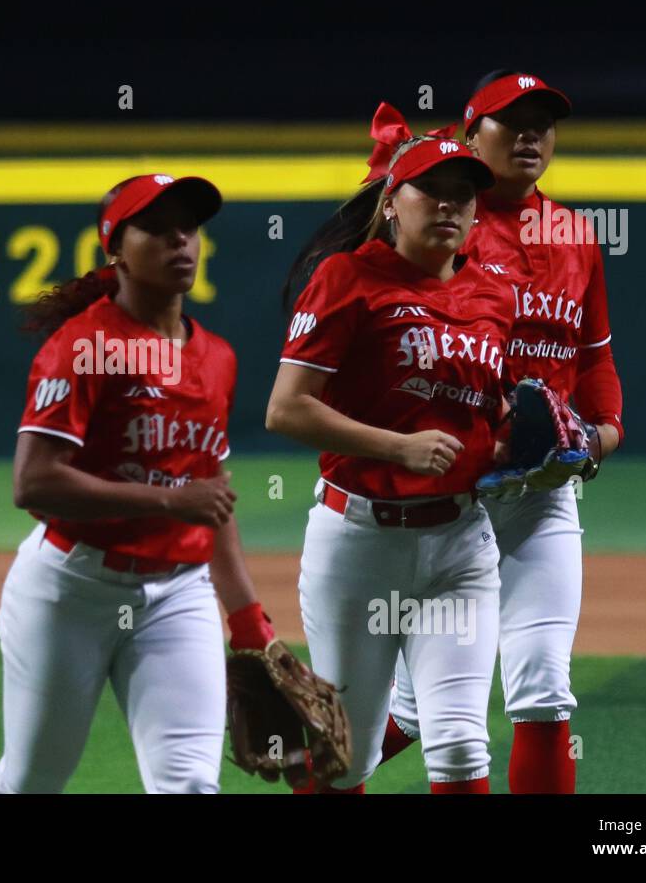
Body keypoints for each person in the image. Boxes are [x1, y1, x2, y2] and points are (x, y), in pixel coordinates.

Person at [0, 173, 279, 794]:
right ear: (115, 248)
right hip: (71, 590)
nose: (180, 242)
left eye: (188, 229)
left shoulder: (216, 356)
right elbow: (33, 483)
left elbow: (210, 498)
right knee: (32, 782)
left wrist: (249, 621)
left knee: (189, 785)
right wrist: (170, 498)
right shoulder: (82, 347)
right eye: (157, 231)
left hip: (178, 595)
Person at [383, 72, 625, 793]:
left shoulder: (575, 232)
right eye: (509, 121)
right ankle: (311, 767)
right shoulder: (444, 221)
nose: (529, 135)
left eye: (542, 123)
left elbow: (594, 358)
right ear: (469, 133)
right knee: (413, 709)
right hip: (452, 489)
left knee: (544, 684)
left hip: (543, 490)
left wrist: (601, 435)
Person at [267, 104, 511, 793]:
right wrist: (396, 448)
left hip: (460, 545)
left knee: (462, 747)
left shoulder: (491, 294)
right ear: (392, 203)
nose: (449, 205)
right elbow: (286, 409)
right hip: (359, 544)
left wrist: (518, 445)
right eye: (431, 190)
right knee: (346, 762)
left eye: (463, 194)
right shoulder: (347, 279)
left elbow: (487, 415)